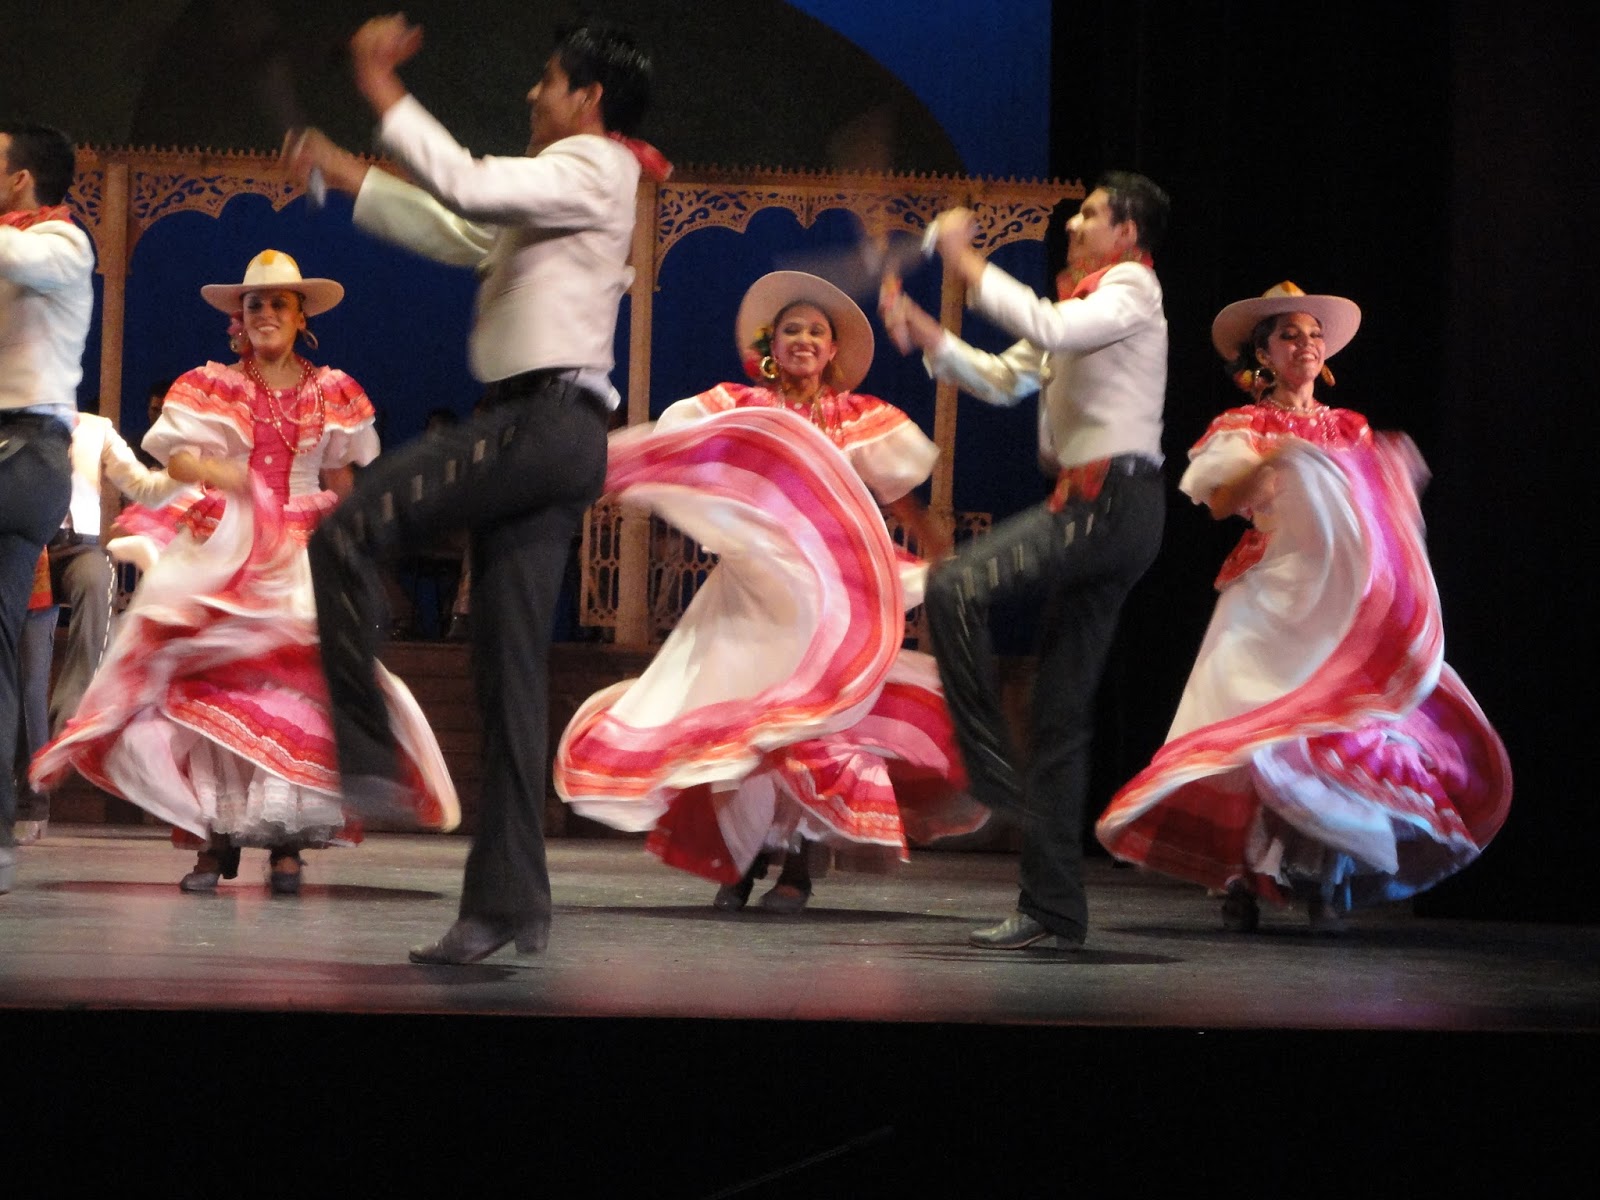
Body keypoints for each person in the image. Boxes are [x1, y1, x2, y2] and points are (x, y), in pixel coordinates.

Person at [282, 16, 664, 963]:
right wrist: (357, 169)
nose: (533, 94)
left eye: (547, 79)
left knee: (344, 533)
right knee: (506, 677)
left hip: (537, 427)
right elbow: (460, 226)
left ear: (589, 99)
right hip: (549, 432)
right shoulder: (565, 188)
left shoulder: (598, 164)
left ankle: (365, 757)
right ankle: (508, 906)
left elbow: (466, 181)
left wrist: (378, 86)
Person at [32, 250, 458, 892]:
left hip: (301, 548)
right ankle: (215, 837)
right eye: (253, 303)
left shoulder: (330, 391)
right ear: (239, 317)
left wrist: (344, 546)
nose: (263, 313)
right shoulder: (211, 388)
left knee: (297, 684)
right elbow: (181, 465)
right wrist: (209, 476)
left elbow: (343, 483)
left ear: (300, 316)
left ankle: (286, 844)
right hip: (228, 541)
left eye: (277, 303)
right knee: (213, 680)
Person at [555, 271, 981, 914]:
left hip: (827, 604)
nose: (804, 340)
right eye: (791, 331)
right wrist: (632, 471)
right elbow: (685, 447)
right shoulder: (740, 406)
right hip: (755, 596)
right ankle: (744, 858)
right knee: (744, 724)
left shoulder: (855, 419)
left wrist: (944, 556)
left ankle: (798, 872)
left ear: (832, 350)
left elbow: (899, 499)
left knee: (816, 724)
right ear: (770, 345)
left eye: (816, 331)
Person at [1095, 283, 1512, 929]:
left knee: (1332, 729)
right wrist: (1276, 463)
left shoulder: (1350, 427)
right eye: (1290, 334)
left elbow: (1369, 511)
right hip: (1271, 592)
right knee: (1258, 730)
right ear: (1263, 354)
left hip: (1342, 597)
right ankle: (1245, 872)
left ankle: (1328, 875)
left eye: (1313, 334)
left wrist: (1390, 478)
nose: (1306, 345)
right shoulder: (1244, 425)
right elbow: (1219, 502)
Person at [879, 171, 1171, 950]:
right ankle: (1053, 907)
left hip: (1110, 505)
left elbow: (1046, 324)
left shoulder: (1134, 291)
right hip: (1096, 508)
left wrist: (967, 264)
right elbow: (1009, 376)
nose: (1075, 224)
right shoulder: (1086, 305)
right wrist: (930, 336)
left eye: (1091, 215)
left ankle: (987, 770)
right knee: (1060, 717)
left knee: (956, 584)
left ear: (1129, 236)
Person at [11, 410, 182, 845]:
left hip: (79, 546)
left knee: (97, 576)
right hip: (30, 548)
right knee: (29, 674)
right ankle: (32, 794)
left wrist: (181, 471)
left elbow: (143, 486)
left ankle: (72, 709)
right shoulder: (13, 425)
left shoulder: (96, 428)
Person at [1, 121, 90, 895]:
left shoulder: (63, 244)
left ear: (20, 179)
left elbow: (17, 257)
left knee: (11, 661)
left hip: (24, 456)